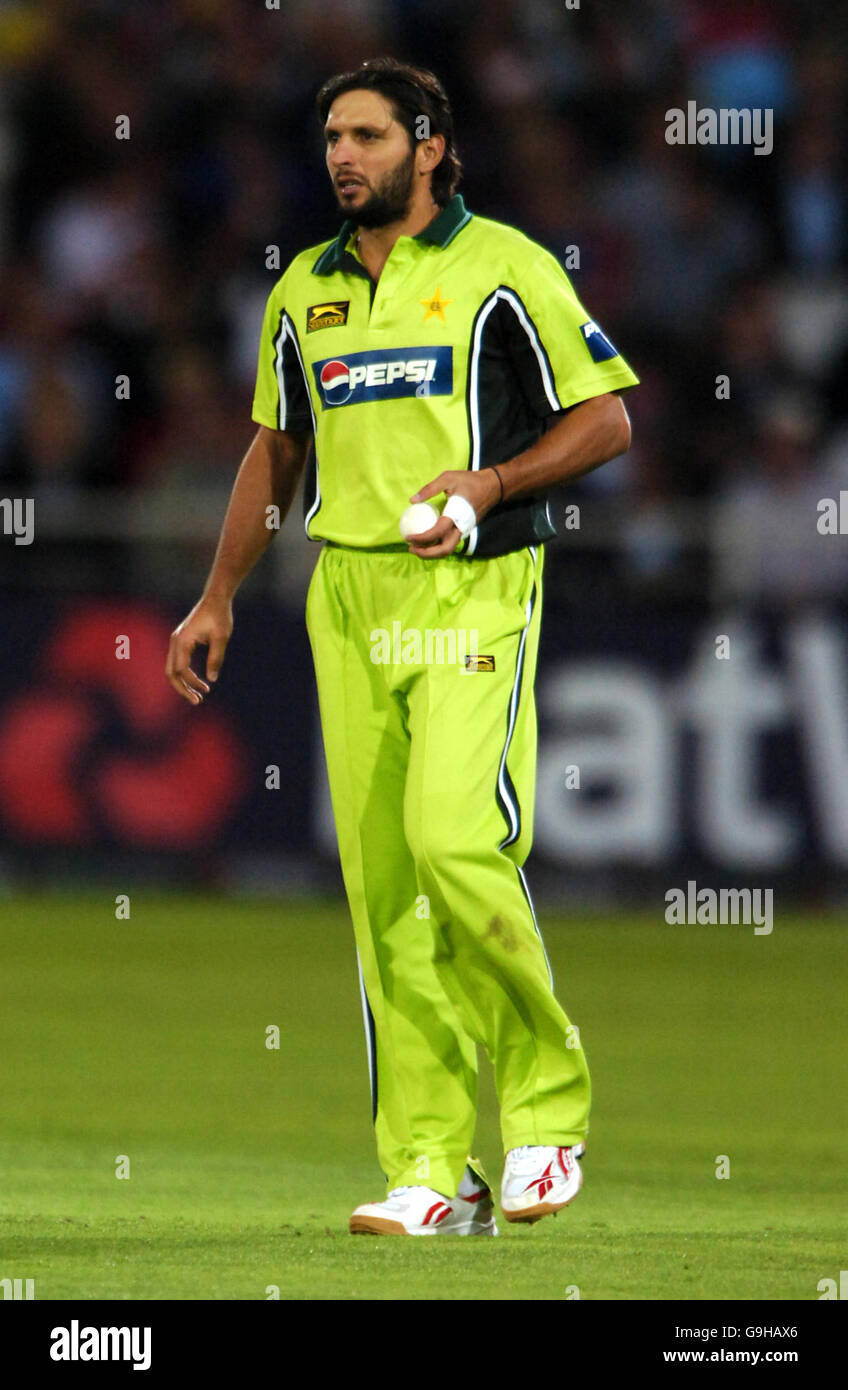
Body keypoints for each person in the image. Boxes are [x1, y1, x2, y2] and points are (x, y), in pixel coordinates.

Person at [166, 57, 638, 1237]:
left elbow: (607, 417)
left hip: (473, 587)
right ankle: (434, 1166)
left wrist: (487, 481)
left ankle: (544, 1117)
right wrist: (216, 594)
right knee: (384, 893)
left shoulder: (504, 268)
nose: (343, 156)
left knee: (451, 841)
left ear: (426, 146)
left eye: (368, 135)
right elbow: (276, 450)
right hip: (348, 593)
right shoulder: (304, 292)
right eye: (332, 136)